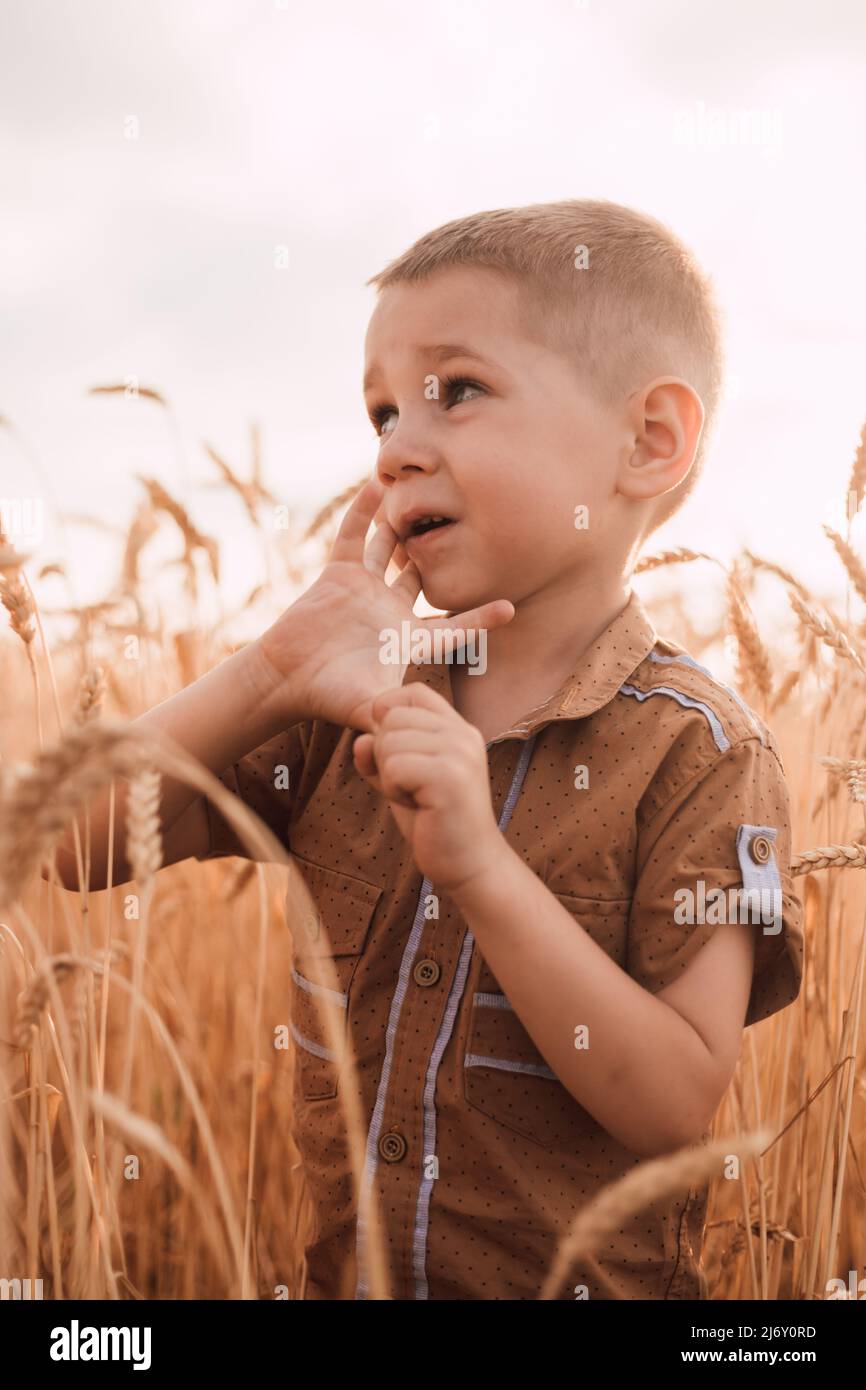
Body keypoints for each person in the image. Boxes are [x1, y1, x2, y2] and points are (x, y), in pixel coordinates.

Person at [52, 199, 804, 1300]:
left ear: (646, 441)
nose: (398, 447)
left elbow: (674, 1099)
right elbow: (73, 843)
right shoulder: (341, 707)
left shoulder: (700, 752)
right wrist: (268, 672)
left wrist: (481, 871)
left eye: (456, 391)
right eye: (381, 413)